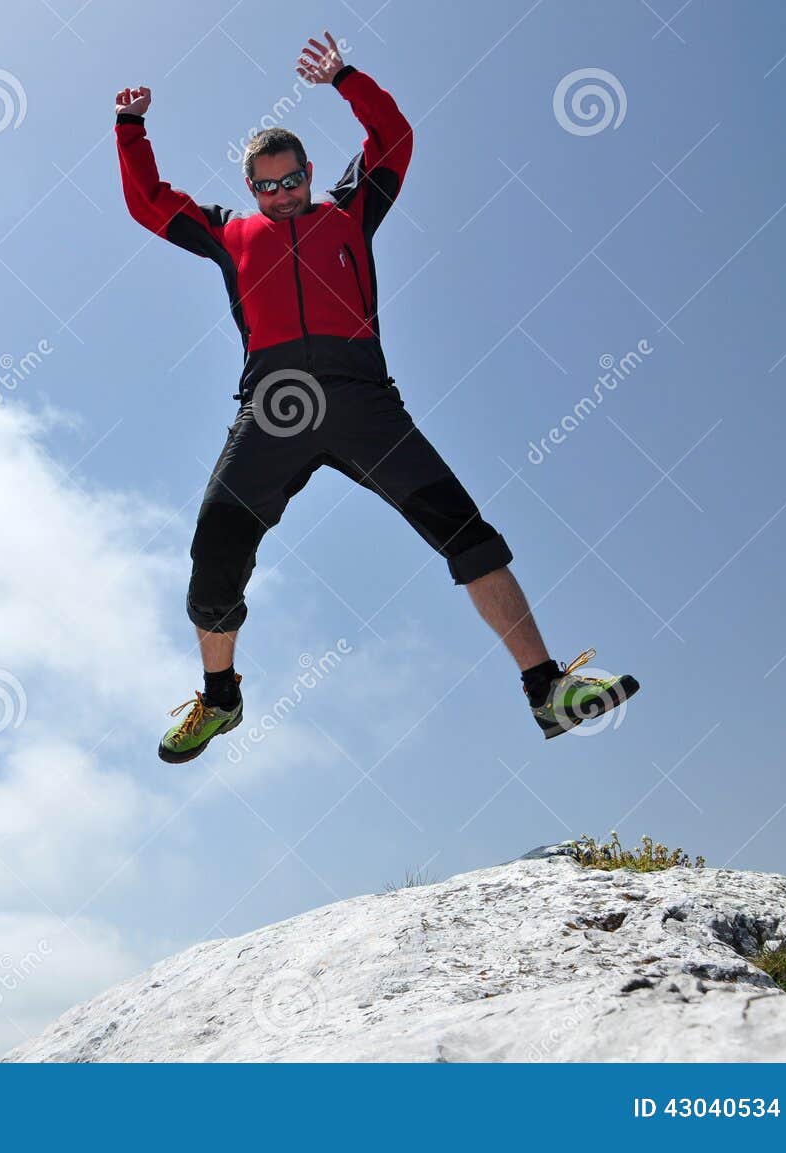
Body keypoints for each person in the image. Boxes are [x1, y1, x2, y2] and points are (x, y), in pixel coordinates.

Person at [114, 32, 639, 762]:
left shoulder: (351, 212)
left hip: (363, 401)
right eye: (266, 187)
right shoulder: (230, 235)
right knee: (214, 550)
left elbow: (393, 138)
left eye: (291, 180)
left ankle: (547, 690)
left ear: (309, 173)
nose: (281, 196)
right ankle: (222, 697)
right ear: (251, 190)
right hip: (272, 408)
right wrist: (130, 128)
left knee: (465, 531)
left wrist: (346, 79)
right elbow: (149, 203)